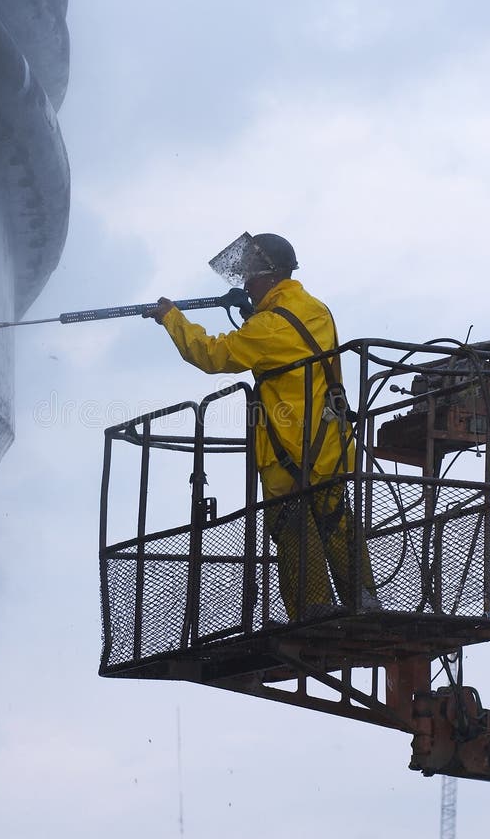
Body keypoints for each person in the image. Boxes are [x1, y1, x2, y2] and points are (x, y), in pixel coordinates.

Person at [144, 232, 377, 619]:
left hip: (288, 448)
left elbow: (213, 355)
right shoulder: (316, 310)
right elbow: (284, 341)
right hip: (330, 443)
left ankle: (313, 609)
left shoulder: (268, 326)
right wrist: (254, 315)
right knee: (338, 524)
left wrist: (172, 319)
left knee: (292, 527)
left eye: (250, 275)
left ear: (270, 275)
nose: (246, 284)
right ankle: (364, 601)